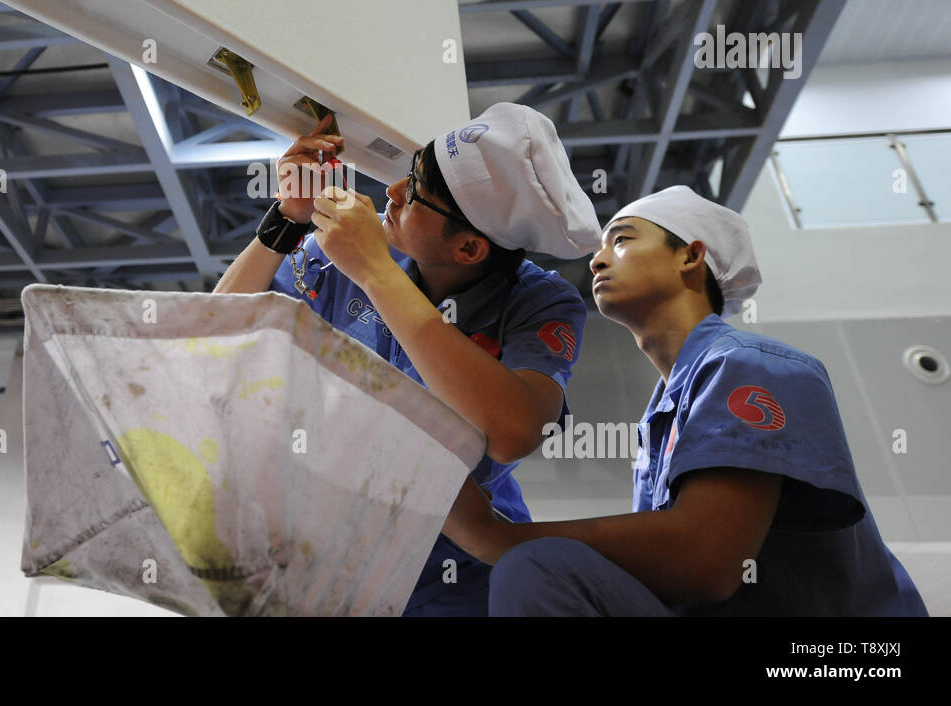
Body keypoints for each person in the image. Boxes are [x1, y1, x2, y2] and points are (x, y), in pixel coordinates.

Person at [442, 185, 928, 616]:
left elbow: (707, 561)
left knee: (538, 569)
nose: (597, 258)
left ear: (690, 256)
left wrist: (495, 535)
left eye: (624, 239)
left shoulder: (751, 364)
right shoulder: (665, 413)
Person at [214, 102, 601, 616]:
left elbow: (515, 429)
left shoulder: (539, 303)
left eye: (416, 193)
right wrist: (286, 217)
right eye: (408, 174)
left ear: (468, 250)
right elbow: (218, 332)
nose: (392, 193)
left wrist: (376, 273)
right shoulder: (360, 246)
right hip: (324, 556)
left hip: (453, 576)